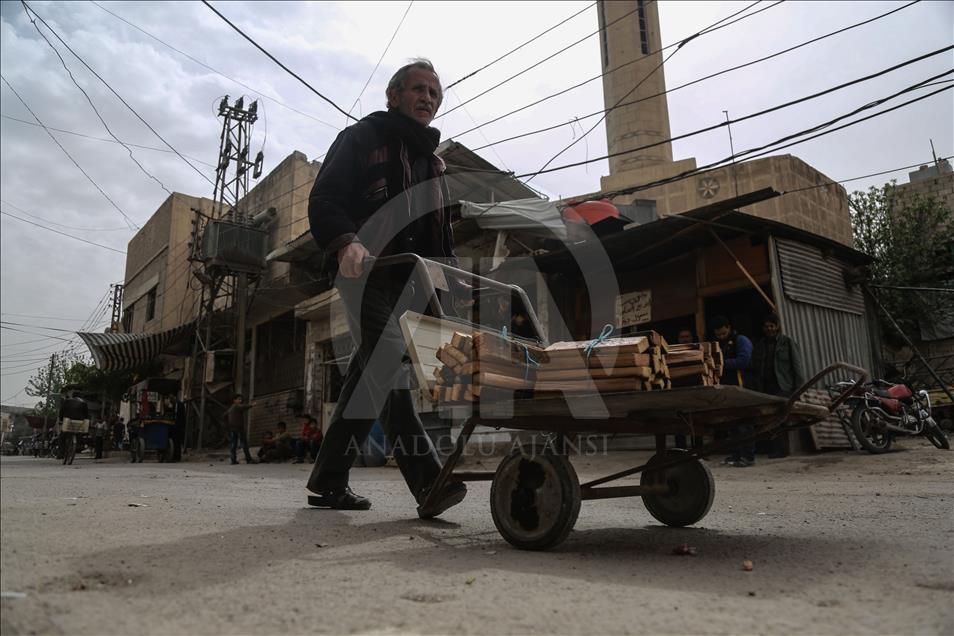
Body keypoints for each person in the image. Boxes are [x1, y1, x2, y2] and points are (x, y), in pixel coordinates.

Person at [305, 58, 466, 517]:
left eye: (434, 94)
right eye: (418, 89)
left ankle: (329, 479)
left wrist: (450, 282)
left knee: (374, 370)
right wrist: (346, 242)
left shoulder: (434, 165)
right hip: (366, 272)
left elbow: (440, 232)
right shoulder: (363, 138)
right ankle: (429, 482)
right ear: (394, 96)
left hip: (411, 283)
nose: (427, 99)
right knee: (386, 362)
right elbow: (326, 197)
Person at [752, 312, 805, 458]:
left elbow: (797, 366)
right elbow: (756, 367)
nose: (769, 329)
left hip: (783, 387)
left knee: (780, 419)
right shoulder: (761, 345)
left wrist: (798, 389)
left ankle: (782, 450)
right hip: (766, 387)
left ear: (777, 327)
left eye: (771, 326)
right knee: (768, 418)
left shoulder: (786, 342)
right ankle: (772, 448)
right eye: (766, 326)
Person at [710, 315, 755, 467]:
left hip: (741, 386)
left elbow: (744, 360)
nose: (721, 336)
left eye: (723, 333)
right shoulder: (718, 344)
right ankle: (736, 455)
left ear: (729, 328)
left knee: (744, 423)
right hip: (727, 389)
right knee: (732, 423)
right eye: (718, 334)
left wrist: (721, 365)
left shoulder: (741, 340)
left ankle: (748, 456)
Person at [224, 394, 257, 465]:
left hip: (233, 428)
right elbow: (243, 406)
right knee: (244, 444)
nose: (240, 401)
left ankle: (233, 460)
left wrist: (228, 425)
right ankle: (249, 459)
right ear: (234, 400)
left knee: (233, 445)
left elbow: (225, 415)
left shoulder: (231, 408)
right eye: (239, 399)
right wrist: (252, 405)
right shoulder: (236, 406)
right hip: (238, 428)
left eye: (241, 399)